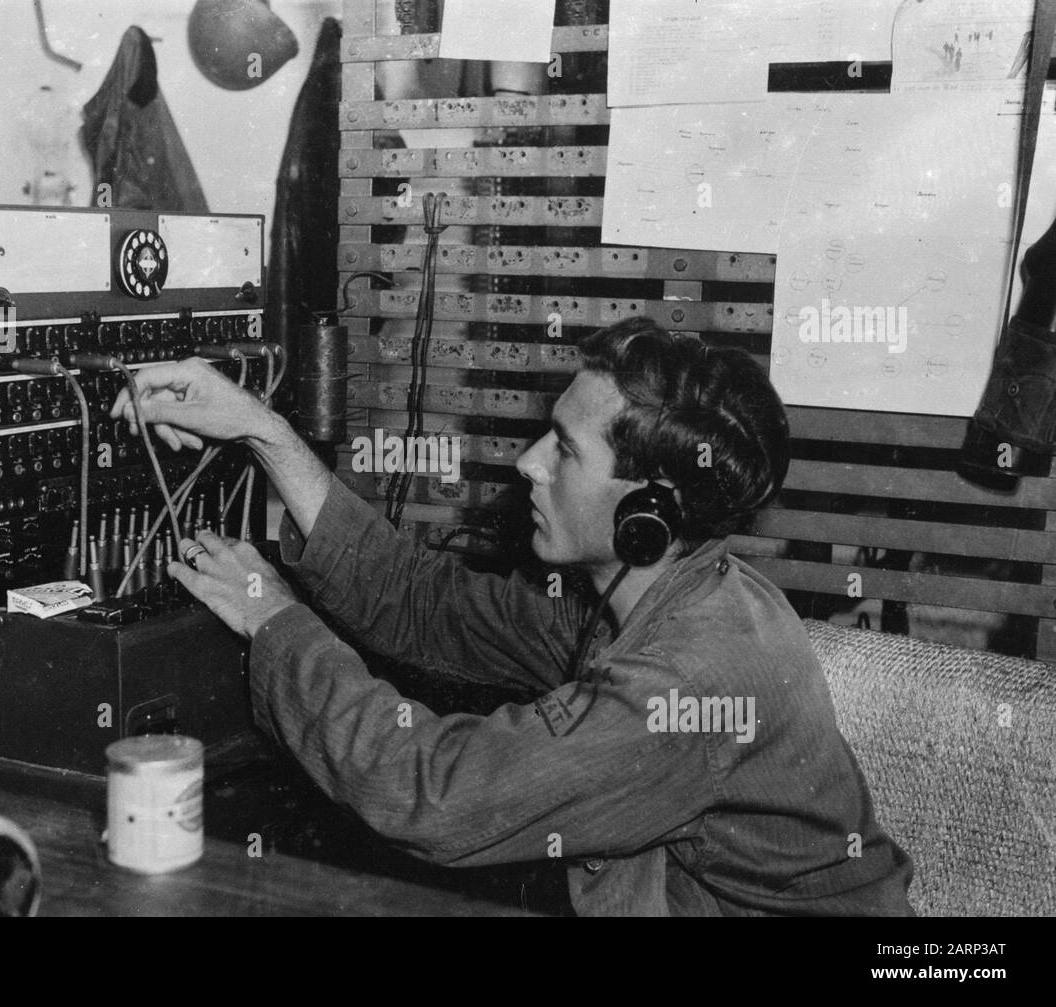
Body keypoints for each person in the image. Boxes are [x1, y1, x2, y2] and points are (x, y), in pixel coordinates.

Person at [112, 316, 914, 916]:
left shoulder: (690, 675)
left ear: (649, 511)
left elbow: (433, 792)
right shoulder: (662, 592)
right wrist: (263, 430)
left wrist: (272, 617)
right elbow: (428, 603)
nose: (528, 462)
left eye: (563, 449)